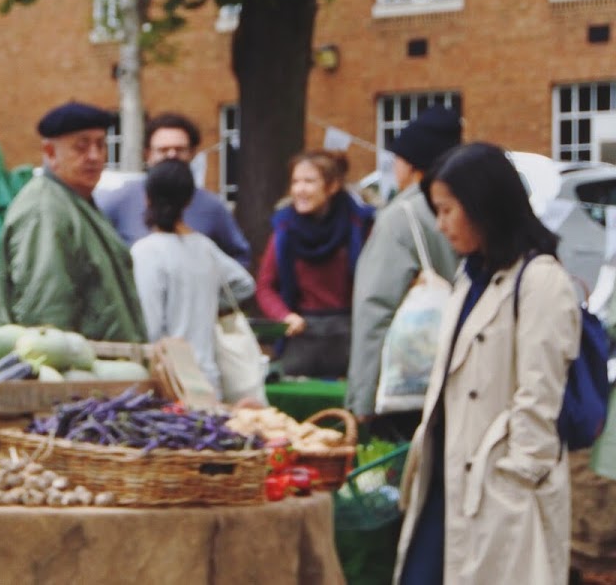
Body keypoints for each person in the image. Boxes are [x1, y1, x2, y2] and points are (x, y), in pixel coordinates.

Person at [395, 143, 580, 585]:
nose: (440, 225)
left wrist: (516, 476)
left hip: (498, 487)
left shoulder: (540, 279)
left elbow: (539, 393)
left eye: (447, 211)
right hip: (449, 475)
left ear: (484, 206)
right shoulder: (470, 275)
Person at [346, 107, 462, 432]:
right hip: (465, 376)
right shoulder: (469, 205)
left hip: (407, 387)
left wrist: (362, 398)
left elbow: (376, 308)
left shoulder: (401, 217)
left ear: (410, 165)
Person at [0, 102, 147, 342]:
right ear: (50, 153)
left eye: (100, 145)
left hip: (100, 360)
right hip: (72, 362)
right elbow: (45, 317)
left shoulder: (76, 202)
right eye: (81, 147)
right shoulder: (45, 210)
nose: (95, 156)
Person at [130, 159, 255, 399]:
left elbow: (150, 326)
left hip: (170, 381)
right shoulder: (205, 248)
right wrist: (211, 304)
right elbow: (245, 284)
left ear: (147, 198)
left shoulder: (145, 252)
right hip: (209, 377)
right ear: (189, 200)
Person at [256, 150, 374, 378]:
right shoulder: (283, 229)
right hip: (301, 336)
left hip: (351, 336)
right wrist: (284, 316)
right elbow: (265, 286)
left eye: (309, 182)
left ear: (332, 186)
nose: (299, 189)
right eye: (295, 182)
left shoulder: (359, 225)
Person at [96, 113, 252, 267]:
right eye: (163, 150)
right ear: (148, 154)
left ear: (192, 153)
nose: (172, 155)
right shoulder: (120, 200)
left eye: (180, 149)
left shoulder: (212, 207)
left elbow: (240, 256)